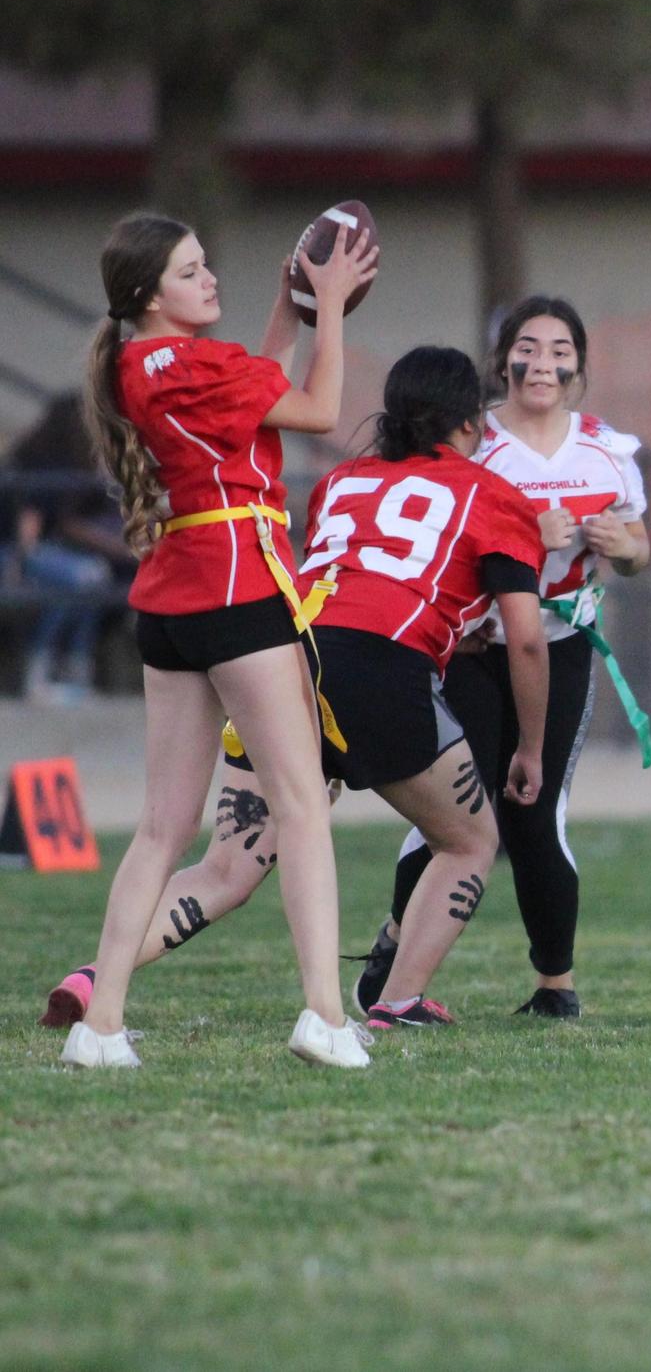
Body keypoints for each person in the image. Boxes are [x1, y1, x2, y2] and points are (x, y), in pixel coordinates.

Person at [41, 347, 552, 1031]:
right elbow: (526, 637)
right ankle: (396, 1002)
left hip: (289, 655)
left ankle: (96, 975)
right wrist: (534, 746)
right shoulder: (496, 494)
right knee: (469, 840)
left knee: (226, 867)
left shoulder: (345, 478)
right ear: (470, 424)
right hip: (379, 668)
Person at [60, 211, 375, 1069]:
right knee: (302, 802)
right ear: (148, 293)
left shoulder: (137, 364)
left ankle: (102, 1025)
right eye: (191, 270)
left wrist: (290, 305)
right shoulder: (193, 364)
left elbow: (252, 385)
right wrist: (334, 307)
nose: (209, 280)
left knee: (163, 826)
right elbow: (315, 407)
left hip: (171, 593)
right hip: (239, 583)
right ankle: (324, 1015)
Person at [358, 296, 650, 1020]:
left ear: (580, 363)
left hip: (559, 643)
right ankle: (396, 948)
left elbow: (640, 547)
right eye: (528, 345)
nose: (542, 362)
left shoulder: (607, 448)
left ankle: (556, 984)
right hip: (474, 644)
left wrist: (626, 546)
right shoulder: (472, 439)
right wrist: (527, 534)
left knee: (537, 813)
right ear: (501, 359)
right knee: (454, 811)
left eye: (558, 348)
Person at [4, 397, 136, 702]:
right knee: (84, 575)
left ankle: (75, 664)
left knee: (94, 577)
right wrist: (25, 566)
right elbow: (28, 534)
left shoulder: (80, 464)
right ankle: (40, 667)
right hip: (18, 552)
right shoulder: (34, 461)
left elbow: (81, 519)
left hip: (57, 553)